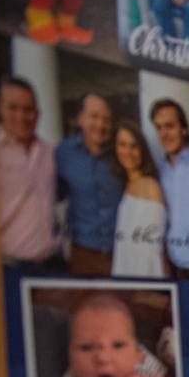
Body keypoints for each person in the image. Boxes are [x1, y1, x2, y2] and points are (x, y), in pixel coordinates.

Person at [60, 292, 173, 377]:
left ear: (135, 348)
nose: (103, 358)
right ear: (70, 353)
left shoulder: (140, 360)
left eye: (118, 345)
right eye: (87, 347)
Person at [0, 77, 60, 268]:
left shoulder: (49, 153)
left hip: (49, 264)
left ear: (38, 113)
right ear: (0, 109)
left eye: (28, 110)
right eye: (13, 108)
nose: (21, 117)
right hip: (7, 266)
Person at [57, 94, 124, 275]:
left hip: (120, 255)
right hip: (83, 255)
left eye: (106, 120)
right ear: (81, 119)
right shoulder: (64, 153)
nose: (100, 125)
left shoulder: (121, 153)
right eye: (94, 117)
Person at [151, 99, 189, 277]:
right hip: (172, 267)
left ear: (183, 129)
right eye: (159, 127)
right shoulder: (158, 171)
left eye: (169, 126)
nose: (164, 133)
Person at [112, 120, 168, 277]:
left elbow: (152, 249)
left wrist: (143, 290)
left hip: (144, 282)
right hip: (125, 279)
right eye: (122, 145)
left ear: (142, 150)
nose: (127, 152)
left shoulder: (151, 186)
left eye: (133, 146)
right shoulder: (127, 184)